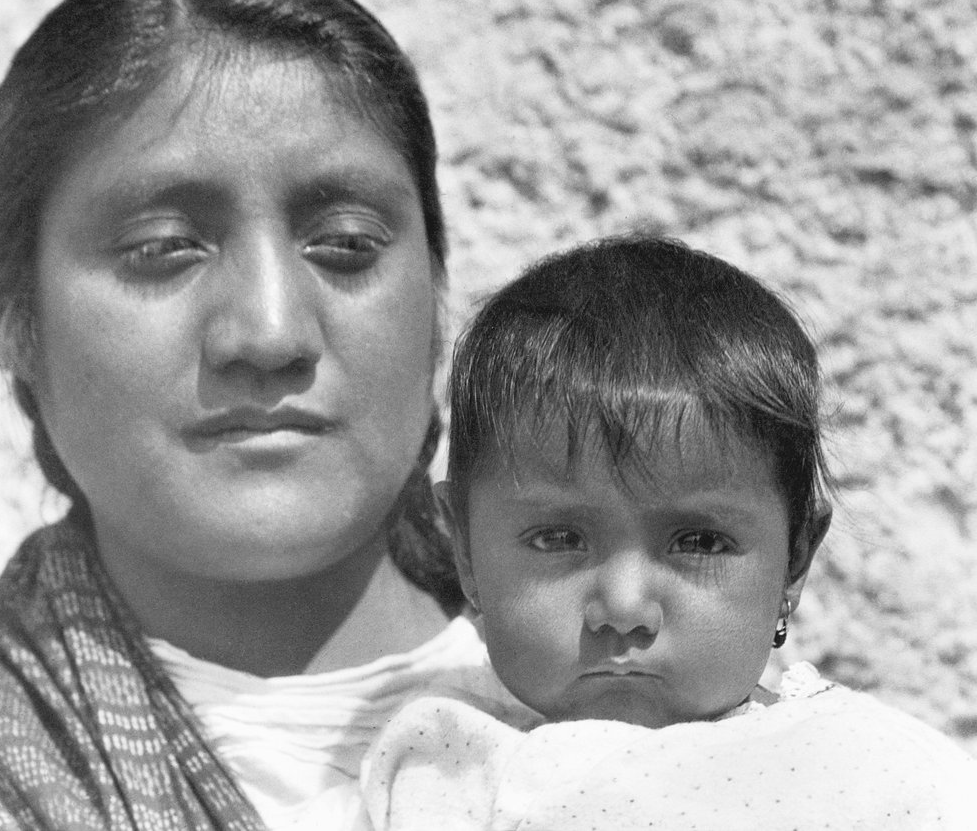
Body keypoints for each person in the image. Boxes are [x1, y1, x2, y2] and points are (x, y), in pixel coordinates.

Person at [0, 0, 527, 830]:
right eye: (162, 248)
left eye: (345, 242)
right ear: (11, 328)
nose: (271, 333)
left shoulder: (665, 700)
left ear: (436, 302)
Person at [362, 235, 975, 831]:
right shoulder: (437, 762)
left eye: (700, 542)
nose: (623, 609)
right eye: (556, 538)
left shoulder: (883, 781)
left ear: (795, 557)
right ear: (465, 549)